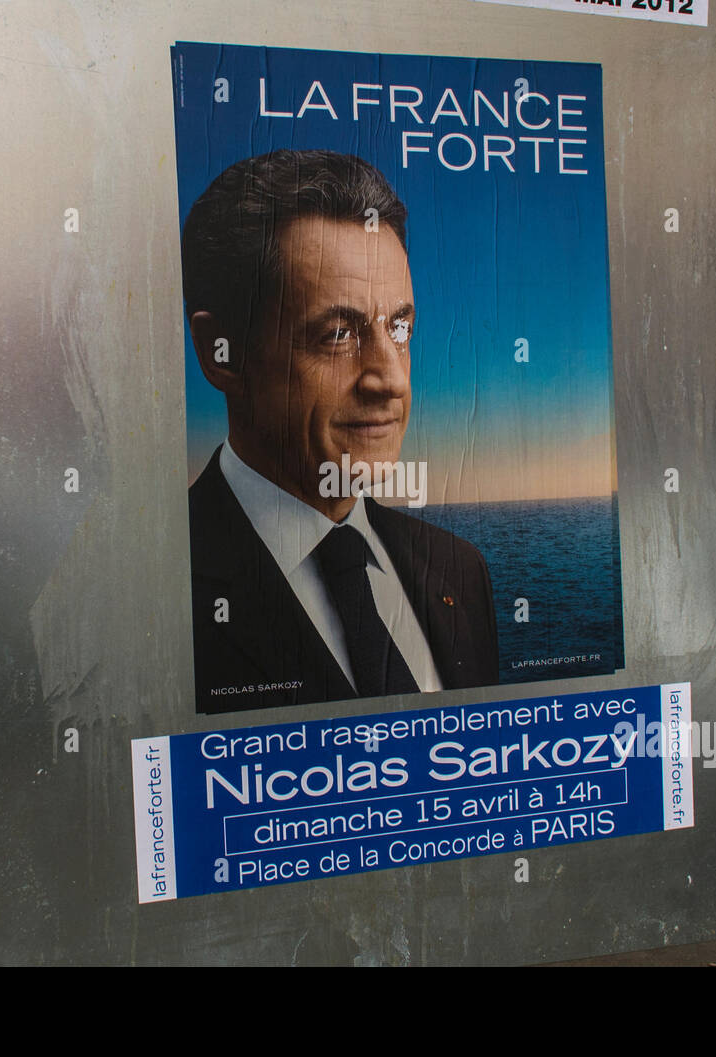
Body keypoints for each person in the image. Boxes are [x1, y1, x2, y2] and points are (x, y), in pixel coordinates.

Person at [181, 149, 499, 714]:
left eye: (398, 328)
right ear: (220, 354)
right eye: (337, 334)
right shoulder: (157, 596)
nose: (391, 379)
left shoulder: (459, 569)